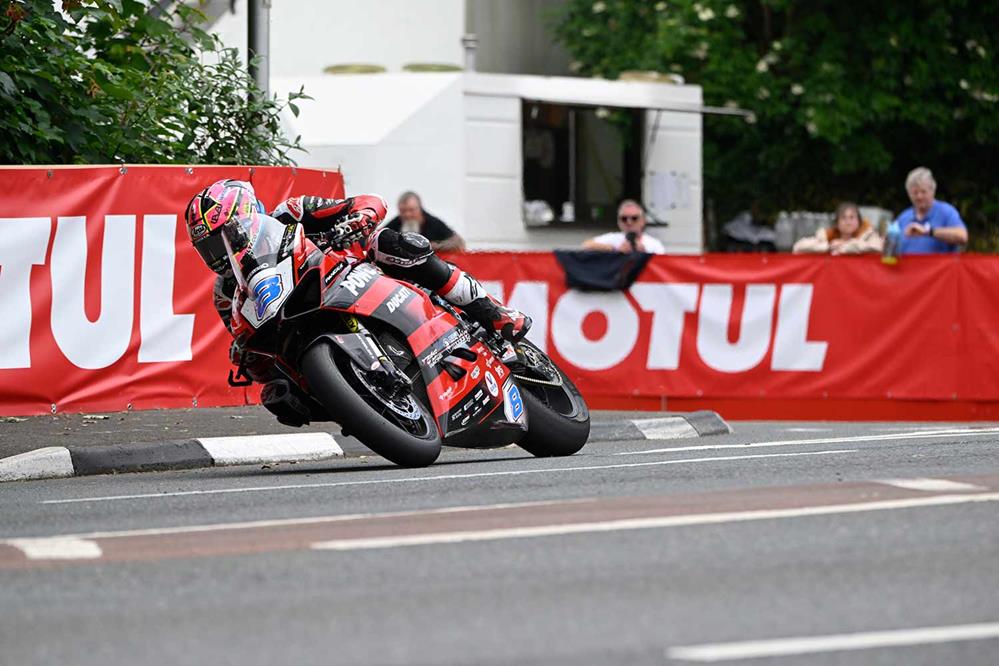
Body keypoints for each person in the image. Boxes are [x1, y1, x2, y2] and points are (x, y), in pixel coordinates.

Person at [184, 180, 530, 349]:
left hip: (358, 275)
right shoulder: (226, 291)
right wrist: (244, 353)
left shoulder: (290, 213)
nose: (220, 252)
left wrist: (358, 219)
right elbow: (243, 339)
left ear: (248, 215)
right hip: (303, 325)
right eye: (209, 247)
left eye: (224, 238)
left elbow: (366, 202)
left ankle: (493, 312)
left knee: (392, 242)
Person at [895, 167, 967, 254]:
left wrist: (929, 232)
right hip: (908, 263)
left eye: (923, 192)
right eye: (915, 193)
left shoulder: (946, 212)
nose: (919, 197)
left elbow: (962, 236)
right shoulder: (903, 218)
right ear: (909, 194)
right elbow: (891, 246)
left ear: (933, 191)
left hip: (940, 263)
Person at [382, 191, 466, 252]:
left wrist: (434, 247)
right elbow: (378, 237)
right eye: (403, 211)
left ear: (420, 208)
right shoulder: (396, 223)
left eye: (411, 210)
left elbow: (458, 242)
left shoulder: (433, 223)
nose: (407, 215)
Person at [792, 202, 882, 255]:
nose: (848, 222)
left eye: (852, 217)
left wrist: (846, 246)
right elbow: (798, 247)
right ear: (836, 223)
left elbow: (879, 247)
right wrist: (828, 247)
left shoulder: (869, 236)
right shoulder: (827, 237)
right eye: (843, 218)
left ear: (859, 221)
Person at [581, 199, 666, 254]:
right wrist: (614, 249)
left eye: (634, 218)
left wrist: (645, 253)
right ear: (619, 222)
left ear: (643, 221)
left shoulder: (654, 244)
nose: (629, 222)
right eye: (624, 219)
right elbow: (586, 245)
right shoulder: (614, 238)